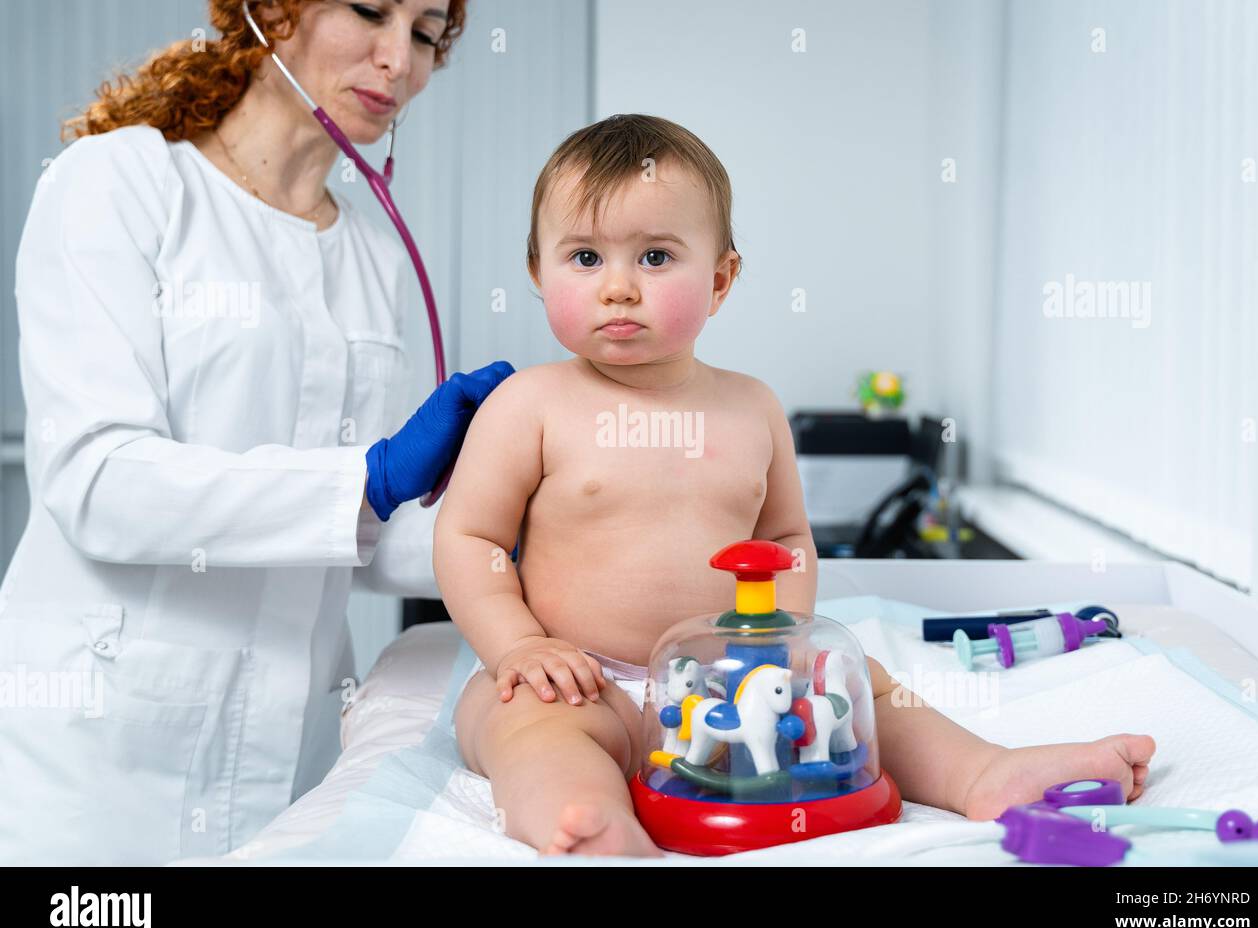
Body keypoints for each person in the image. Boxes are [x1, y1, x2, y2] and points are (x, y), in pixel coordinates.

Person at [433, 113, 1157, 856]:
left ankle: (984, 774)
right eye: (584, 257)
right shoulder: (527, 405)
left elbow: (785, 540)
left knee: (867, 692)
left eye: (654, 256)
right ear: (536, 272)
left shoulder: (751, 406)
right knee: (528, 729)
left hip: (737, 683)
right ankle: (592, 825)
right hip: (584, 677)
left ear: (719, 280)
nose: (617, 287)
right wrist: (517, 647)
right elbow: (470, 537)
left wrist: (791, 640)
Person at [0, 0, 511, 865]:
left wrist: (536, 522)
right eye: (369, 11)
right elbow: (98, 481)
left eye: (425, 34)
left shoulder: (376, 252)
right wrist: (369, 477)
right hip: (101, 753)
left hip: (298, 748)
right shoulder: (118, 183)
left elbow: (371, 540)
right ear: (273, 11)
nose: (398, 59)